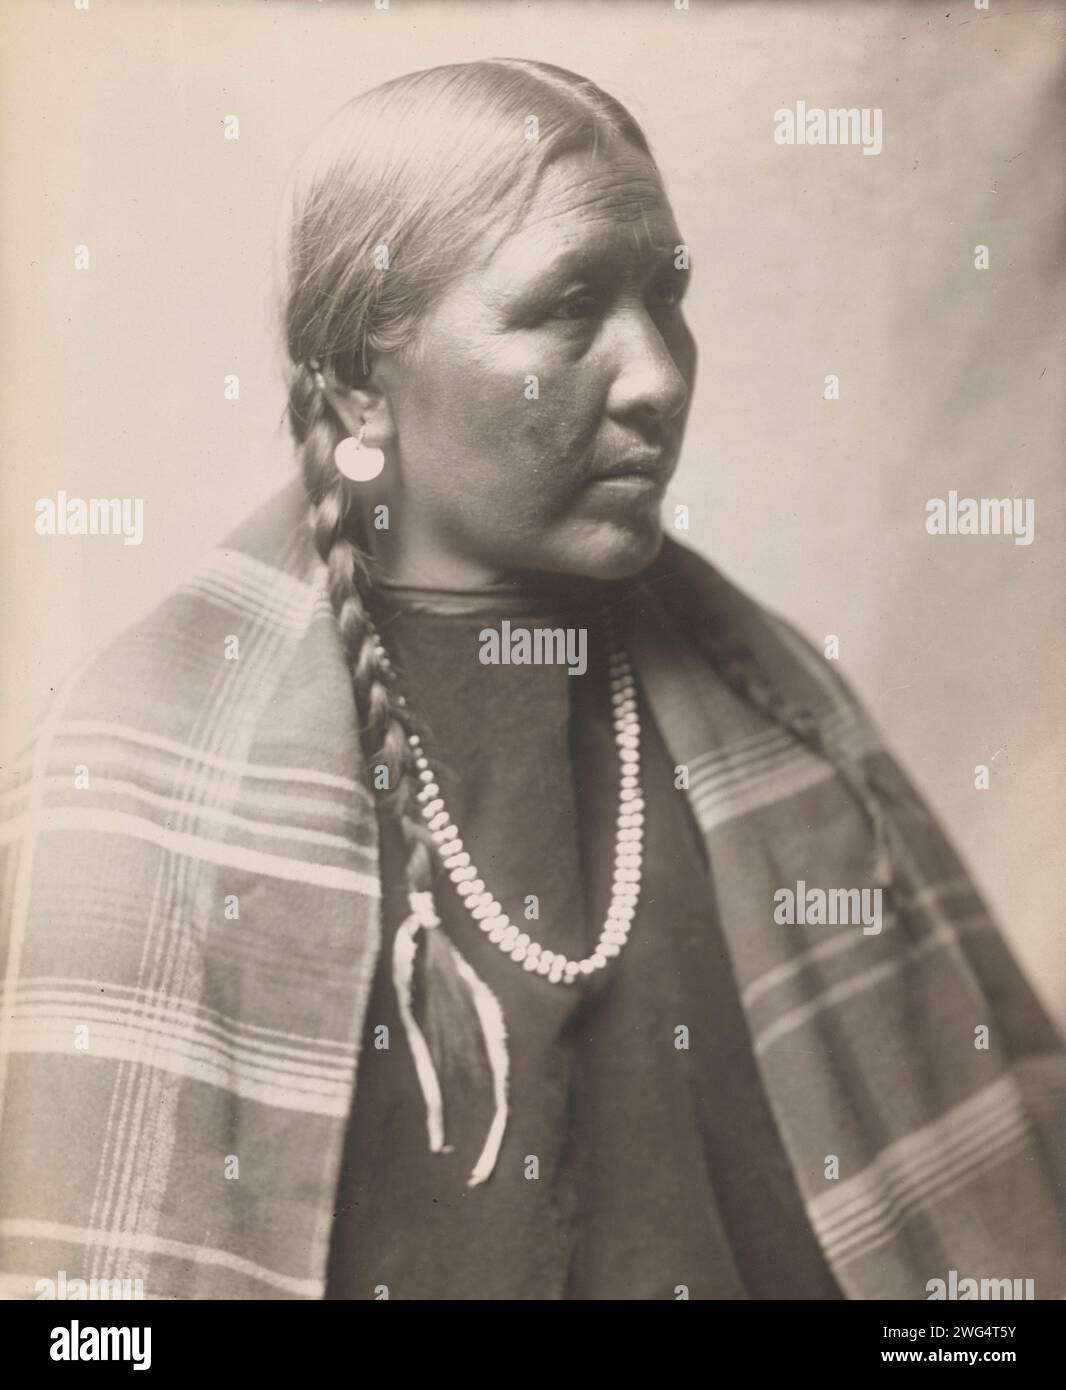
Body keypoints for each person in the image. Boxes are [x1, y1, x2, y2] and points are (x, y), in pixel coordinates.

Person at [1, 59, 1063, 1302]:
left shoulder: (776, 715)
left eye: (668, 299)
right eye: (566, 307)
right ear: (357, 380)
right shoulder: (140, 765)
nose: (659, 376)